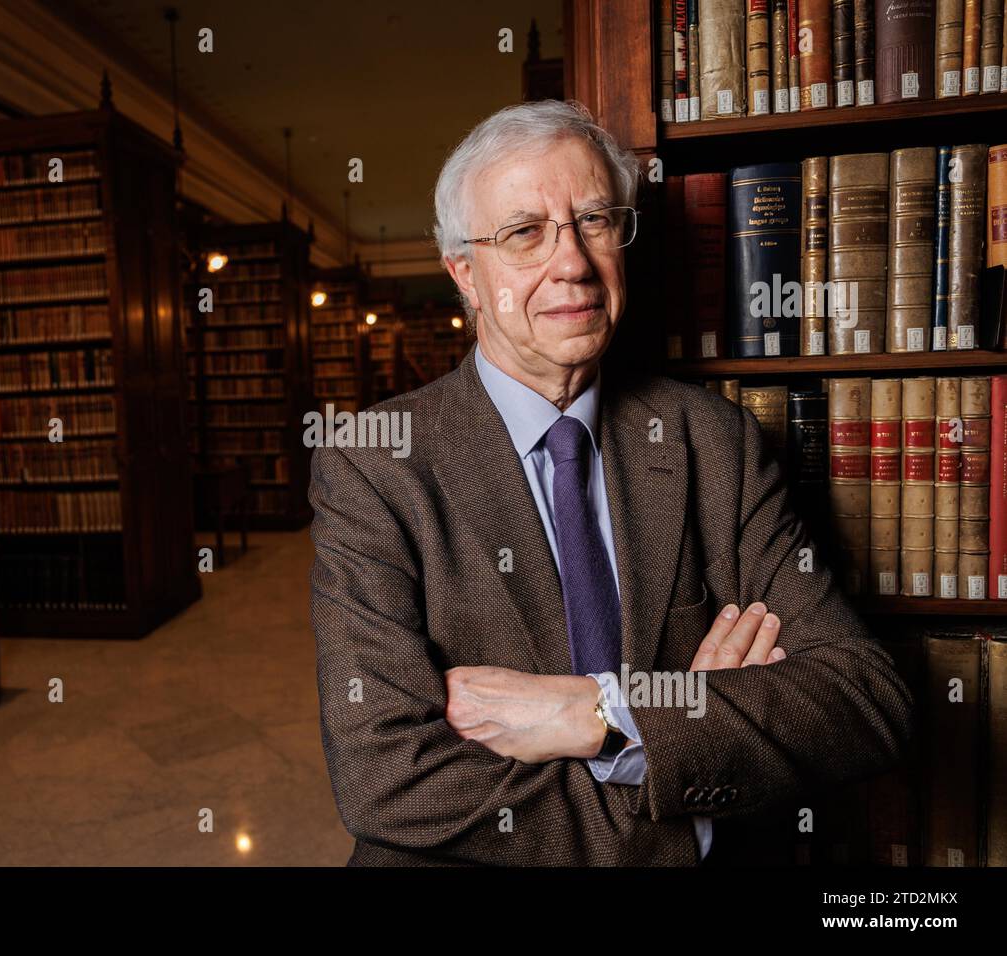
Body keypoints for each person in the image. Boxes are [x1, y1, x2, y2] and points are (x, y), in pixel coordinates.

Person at [308, 99, 913, 866]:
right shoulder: (372, 463)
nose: (573, 264)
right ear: (464, 273)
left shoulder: (713, 442)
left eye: (595, 220)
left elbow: (863, 701)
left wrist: (600, 711)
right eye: (525, 233)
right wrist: (678, 795)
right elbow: (387, 779)